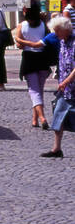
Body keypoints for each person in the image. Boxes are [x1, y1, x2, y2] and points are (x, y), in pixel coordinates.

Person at [42, 13, 75, 158]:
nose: (55, 34)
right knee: (58, 115)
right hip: (65, 89)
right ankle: (57, 149)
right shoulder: (62, 41)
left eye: (57, 31)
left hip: (71, 85)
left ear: (65, 29)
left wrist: (68, 80)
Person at [15, 4, 52, 129]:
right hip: (42, 59)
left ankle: (42, 118)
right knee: (39, 89)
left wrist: (22, 41)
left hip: (29, 59)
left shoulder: (22, 25)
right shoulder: (43, 24)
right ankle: (34, 119)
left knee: (34, 90)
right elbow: (47, 41)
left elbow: (19, 45)